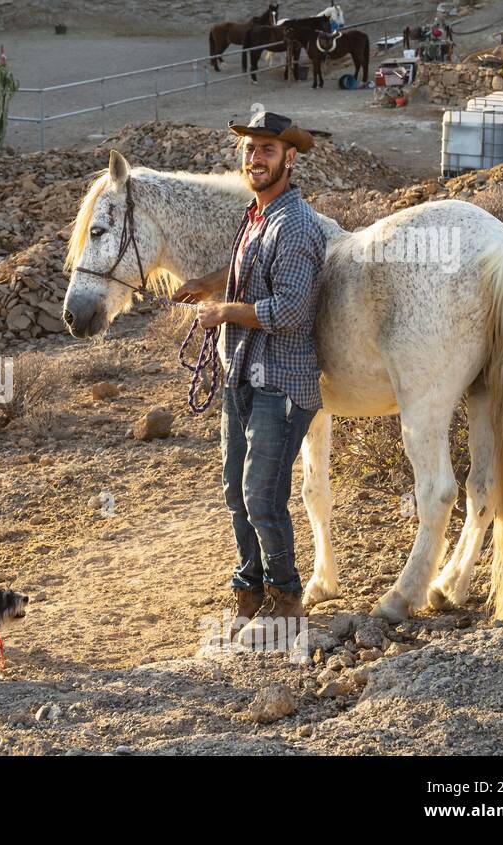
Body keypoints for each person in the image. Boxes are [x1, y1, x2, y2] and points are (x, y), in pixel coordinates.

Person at [172, 111, 328, 647]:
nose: (254, 158)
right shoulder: (256, 216)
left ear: (289, 158)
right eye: (249, 149)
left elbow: (290, 309)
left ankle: (287, 601)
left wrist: (223, 313)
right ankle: (249, 588)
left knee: (261, 496)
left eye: (266, 149)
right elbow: (246, 274)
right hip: (243, 375)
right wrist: (209, 284)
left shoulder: (296, 223)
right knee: (234, 493)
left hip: (282, 383)